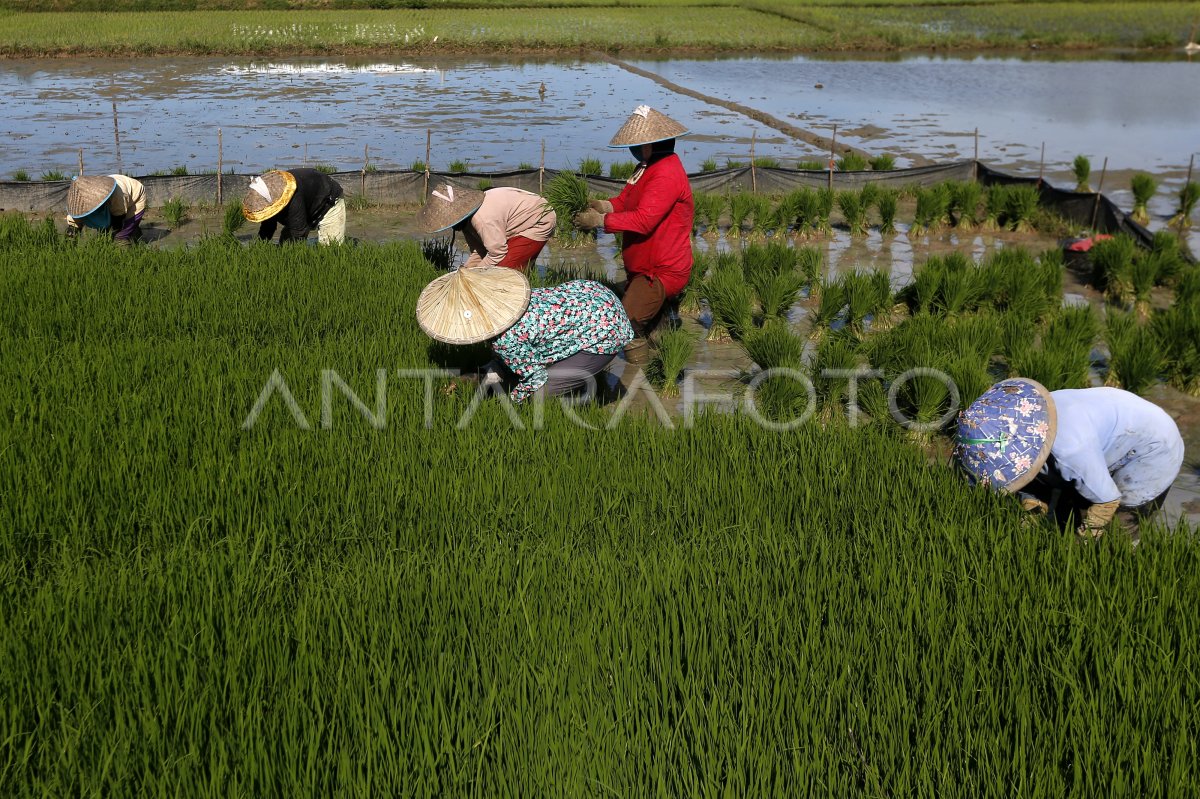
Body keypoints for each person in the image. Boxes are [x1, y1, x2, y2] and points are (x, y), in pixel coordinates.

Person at [955, 379, 1185, 537]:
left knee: (1120, 527)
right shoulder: (1031, 417)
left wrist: (1085, 540)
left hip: (1153, 448)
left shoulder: (1070, 450)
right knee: (1068, 509)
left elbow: (1106, 500)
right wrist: (1031, 505)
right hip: (1113, 428)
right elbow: (1029, 471)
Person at [571, 104, 694, 364]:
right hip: (643, 266)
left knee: (625, 324)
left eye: (638, 145)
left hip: (660, 270)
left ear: (650, 144)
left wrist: (600, 221)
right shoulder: (645, 167)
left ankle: (639, 373)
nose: (634, 149)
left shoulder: (666, 173)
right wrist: (603, 205)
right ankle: (662, 353)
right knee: (648, 323)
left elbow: (644, 220)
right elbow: (626, 201)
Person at [415, 268, 632, 404]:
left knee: (539, 396)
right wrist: (478, 376)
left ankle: (582, 383)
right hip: (593, 294)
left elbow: (536, 378)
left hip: (606, 330)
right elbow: (509, 358)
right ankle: (575, 376)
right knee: (513, 365)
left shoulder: (506, 340)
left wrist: (513, 401)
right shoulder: (512, 305)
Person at [416, 184, 556, 271]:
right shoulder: (466, 222)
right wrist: (465, 271)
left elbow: (497, 253)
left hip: (539, 219)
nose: (452, 227)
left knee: (502, 272)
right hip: (519, 219)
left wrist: (476, 275)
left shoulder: (482, 219)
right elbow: (479, 251)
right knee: (501, 266)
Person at [243, 168, 345, 244]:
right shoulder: (269, 201)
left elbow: (299, 231)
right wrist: (259, 245)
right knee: (285, 245)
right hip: (306, 203)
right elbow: (268, 227)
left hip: (328, 200)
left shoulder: (293, 198)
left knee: (331, 248)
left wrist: (291, 255)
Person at [65, 174, 146, 245]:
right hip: (114, 195)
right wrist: (71, 232)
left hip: (135, 195)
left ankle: (133, 240)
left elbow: (118, 219)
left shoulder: (117, 196)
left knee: (121, 236)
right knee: (104, 232)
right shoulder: (79, 201)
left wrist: (112, 234)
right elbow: (75, 218)